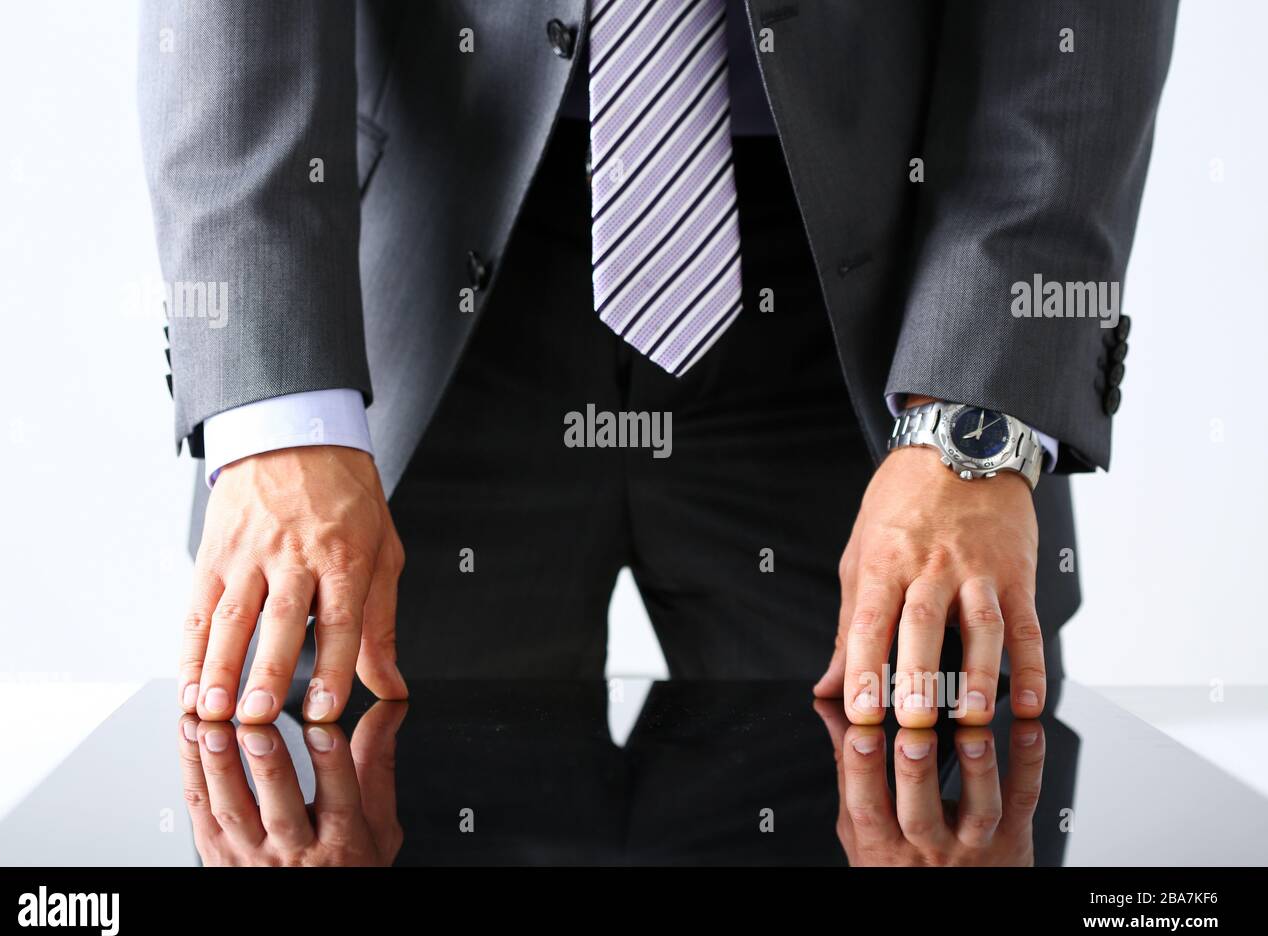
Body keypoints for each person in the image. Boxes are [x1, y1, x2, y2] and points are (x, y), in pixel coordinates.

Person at [139, 0, 1177, 727]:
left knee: (939, 795)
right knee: (319, 800)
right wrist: (279, 407)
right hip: (415, 290)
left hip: (881, 311)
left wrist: (977, 413)